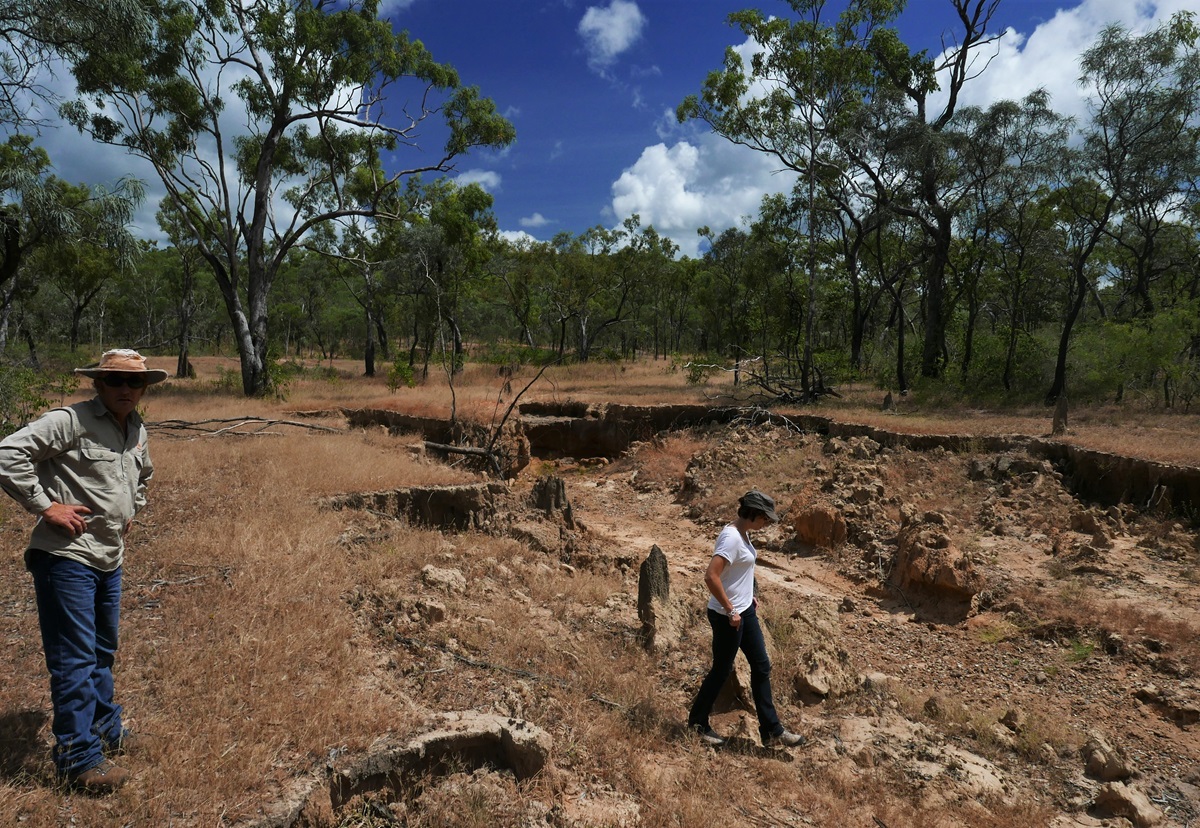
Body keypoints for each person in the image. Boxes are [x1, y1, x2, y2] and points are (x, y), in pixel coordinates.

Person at [0, 349, 165, 792]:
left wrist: (134, 506)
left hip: (109, 557)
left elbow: (143, 475)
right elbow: (8, 453)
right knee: (74, 658)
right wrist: (47, 506)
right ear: (98, 383)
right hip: (65, 558)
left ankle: (107, 731)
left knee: (101, 650)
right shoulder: (70, 421)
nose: (126, 390)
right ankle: (78, 759)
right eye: (115, 381)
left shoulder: (136, 427)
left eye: (136, 383)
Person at [687, 490, 805, 748]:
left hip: (745, 612)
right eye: (765, 518)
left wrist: (748, 596)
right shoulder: (730, 538)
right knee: (721, 670)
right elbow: (711, 576)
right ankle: (697, 722)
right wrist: (730, 609)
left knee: (761, 665)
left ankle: (772, 730)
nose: (766, 524)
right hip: (727, 617)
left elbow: (739, 571)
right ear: (754, 514)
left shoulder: (744, 534)